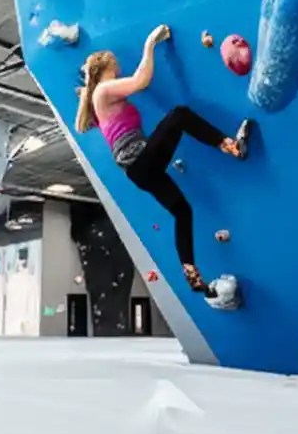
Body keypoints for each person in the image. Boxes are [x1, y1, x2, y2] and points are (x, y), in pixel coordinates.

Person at [75, 24, 254, 297]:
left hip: (140, 170)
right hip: (140, 161)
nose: (118, 72)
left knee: (182, 211)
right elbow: (140, 81)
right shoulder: (102, 91)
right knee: (179, 115)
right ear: (105, 69)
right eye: (115, 67)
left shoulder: (102, 97)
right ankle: (231, 146)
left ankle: (191, 273)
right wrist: (150, 44)